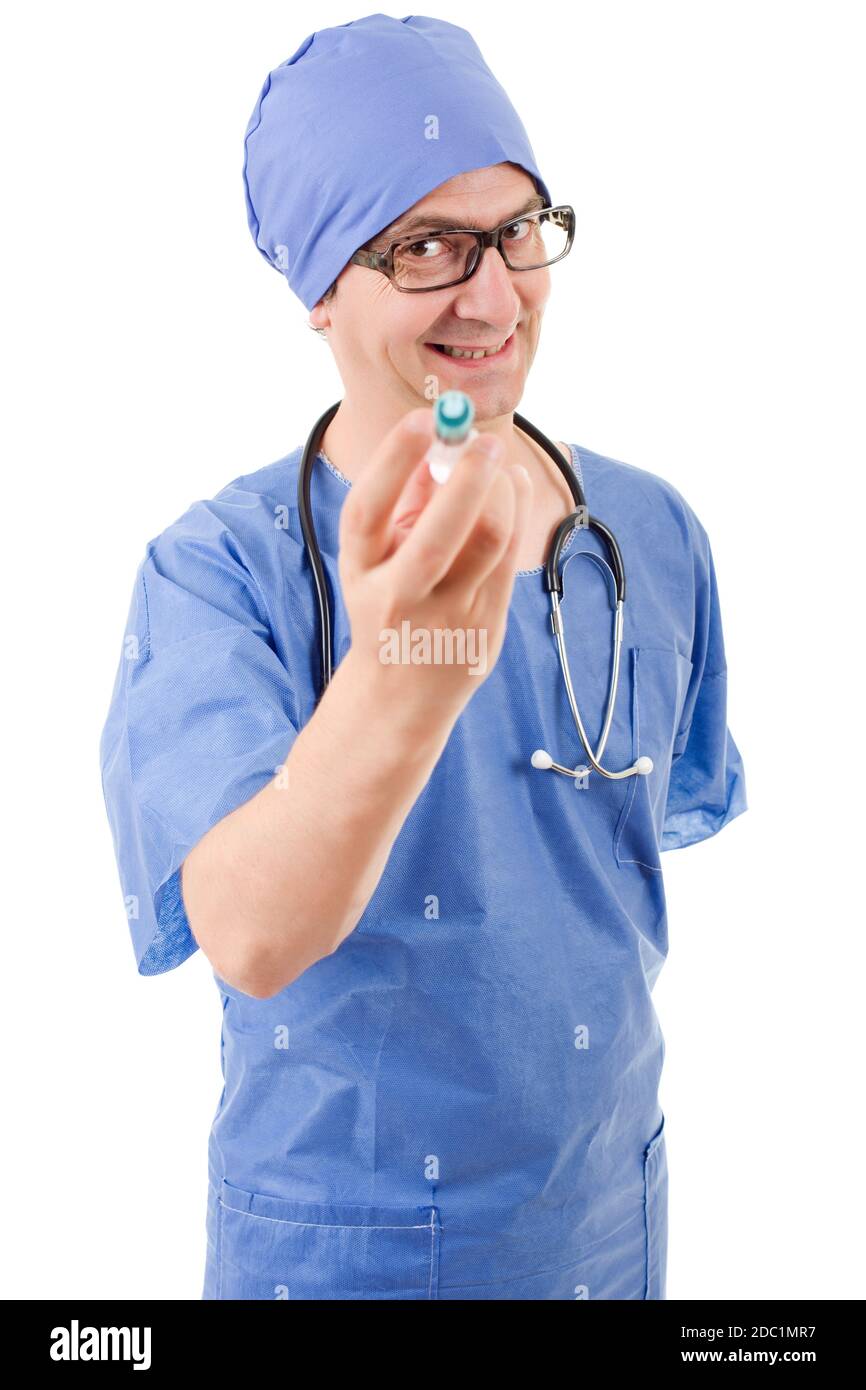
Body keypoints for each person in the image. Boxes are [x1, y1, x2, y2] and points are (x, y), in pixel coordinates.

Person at [99, 14, 747, 1301]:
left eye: (514, 231)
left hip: (604, 1225)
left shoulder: (646, 531)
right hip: (339, 1252)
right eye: (427, 247)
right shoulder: (218, 570)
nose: (495, 296)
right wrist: (404, 674)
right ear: (321, 289)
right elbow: (248, 931)